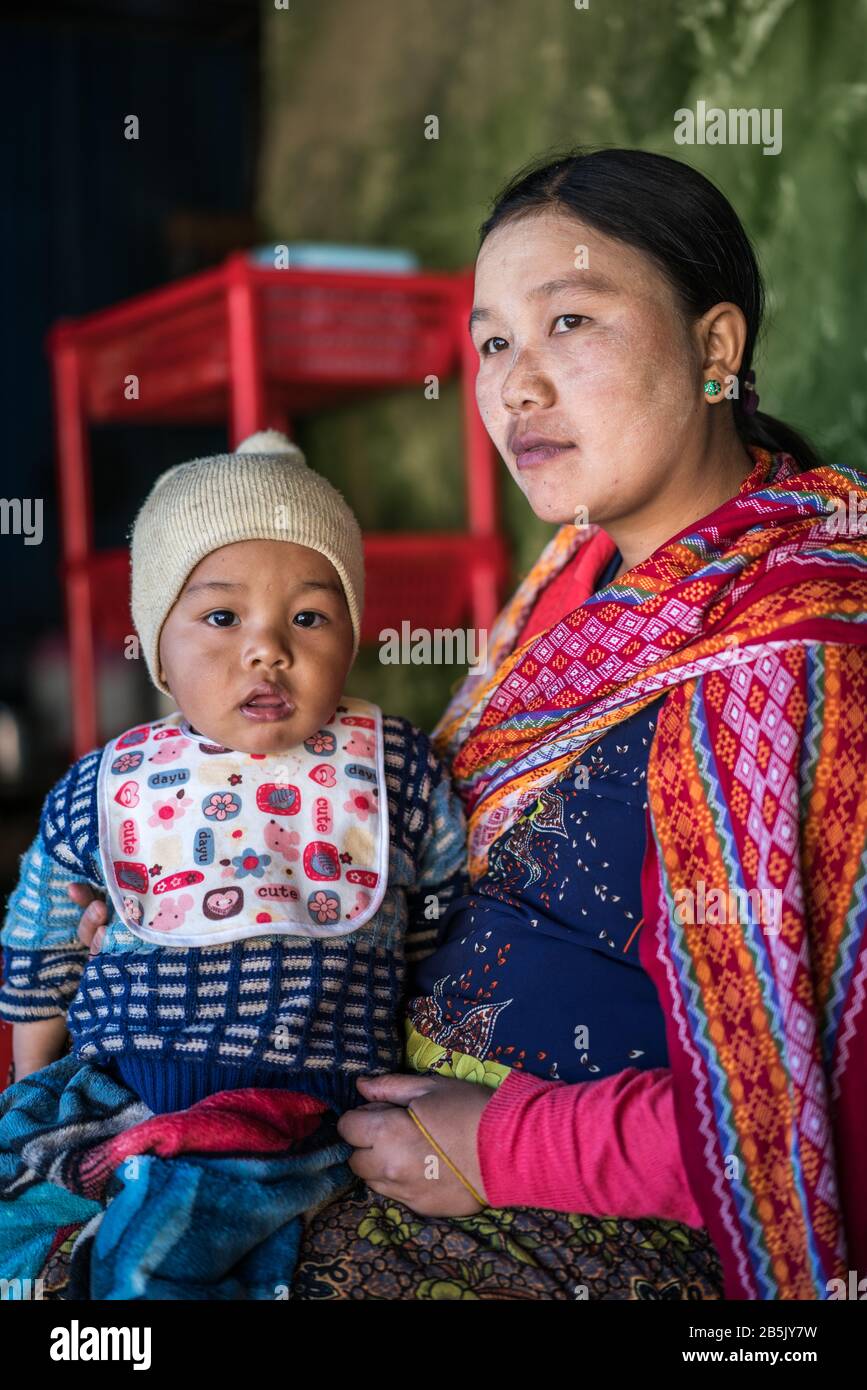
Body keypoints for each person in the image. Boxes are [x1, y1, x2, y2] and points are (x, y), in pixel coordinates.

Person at [71, 147, 867, 1302]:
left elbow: (817, 1117)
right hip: (362, 1113)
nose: (515, 387)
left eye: (570, 322)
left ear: (714, 348)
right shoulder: (577, 585)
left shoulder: (799, 660)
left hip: (583, 1221)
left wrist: (501, 1145)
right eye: (493, 341)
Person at [0, 429, 468, 1121]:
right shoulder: (104, 785)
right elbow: (42, 942)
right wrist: (28, 1087)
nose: (268, 650)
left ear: (352, 636)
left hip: (330, 1107)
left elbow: (442, 924)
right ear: (158, 641)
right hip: (124, 1095)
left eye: (309, 617)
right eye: (222, 617)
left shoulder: (395, 769)